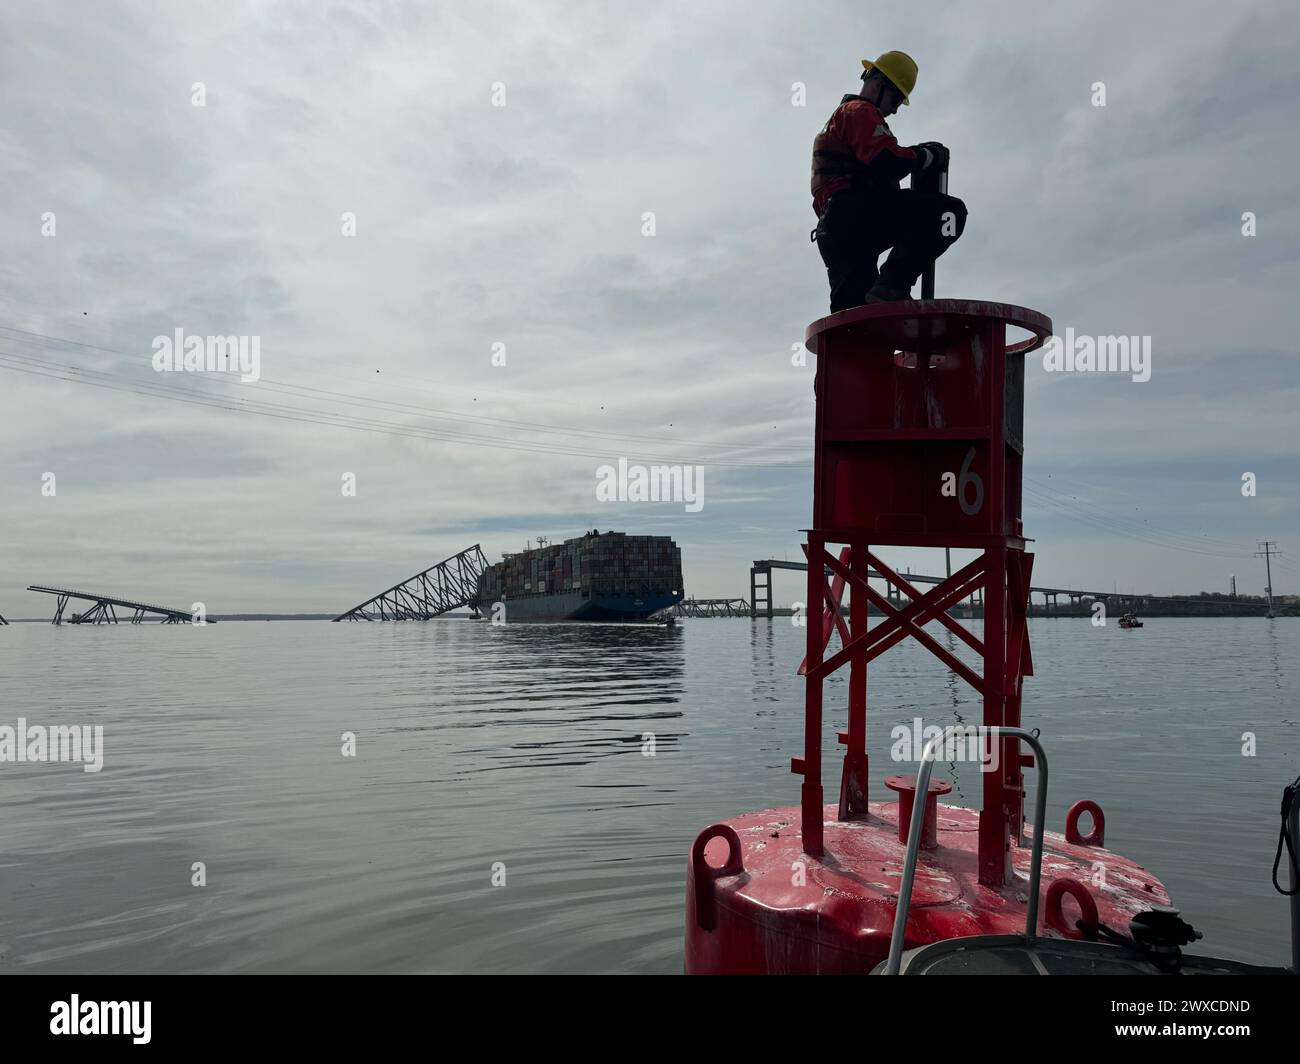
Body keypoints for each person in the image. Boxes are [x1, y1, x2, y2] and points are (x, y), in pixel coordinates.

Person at [811, 50, 967, 311]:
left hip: (837, 232)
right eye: (895, 98)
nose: (894, 110)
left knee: (856, 316)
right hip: (855, 215)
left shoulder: (840, 122)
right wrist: (926, 156)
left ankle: (857, 341)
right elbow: (886, 160)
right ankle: (893, 284)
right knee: (948, 214)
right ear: (876, 82)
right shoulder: (858, 111)